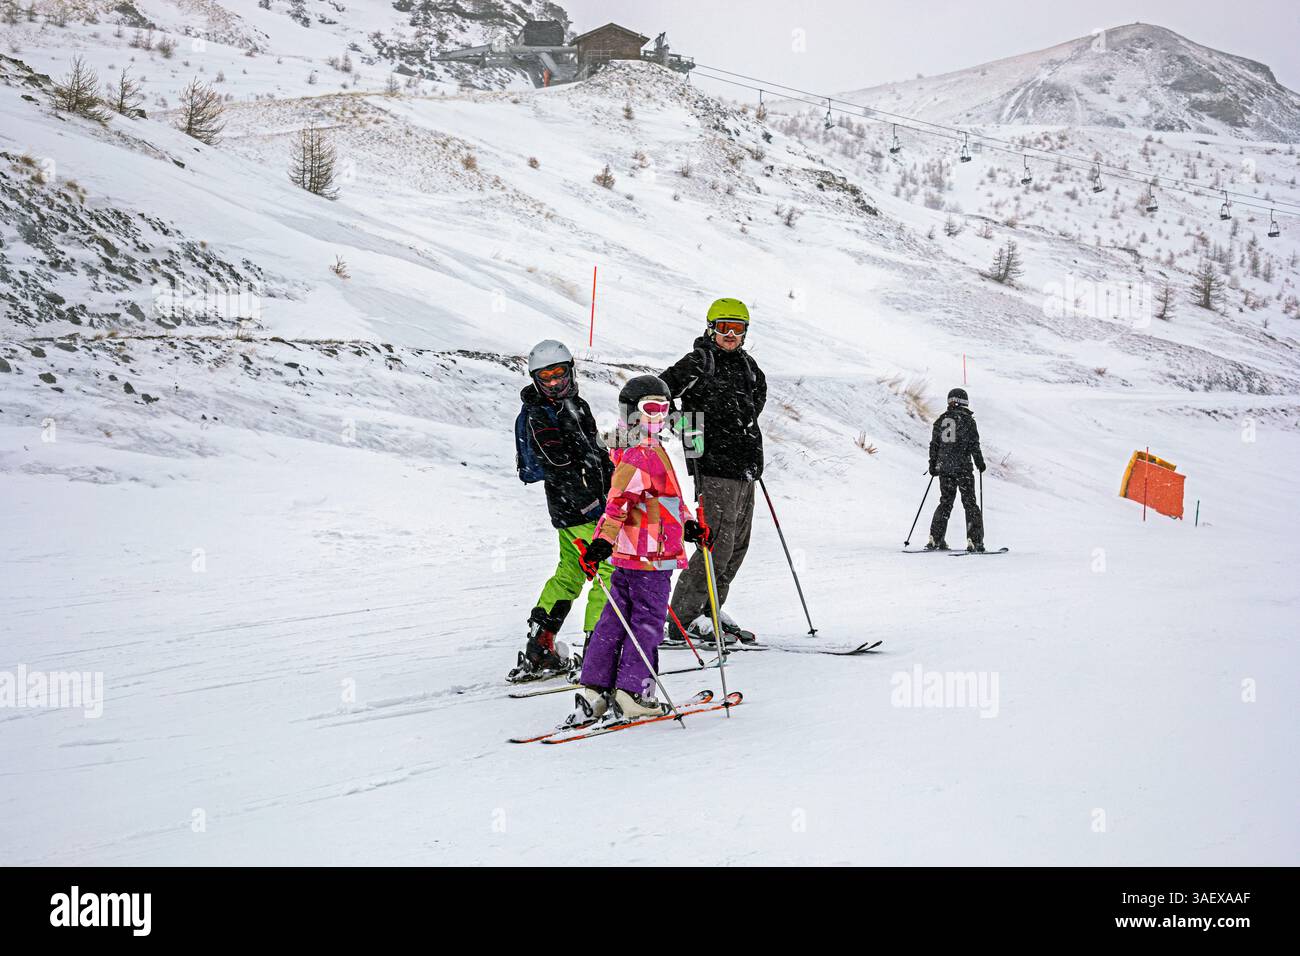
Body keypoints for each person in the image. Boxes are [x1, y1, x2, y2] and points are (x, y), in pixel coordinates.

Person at [563, 375, 710, 726]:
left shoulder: (640, 446)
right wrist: (601, 541)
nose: (659, 418)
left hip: (634, 554)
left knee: (614, 620)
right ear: (631, 412)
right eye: (650, 409)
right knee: (646, 622)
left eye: (664, 409)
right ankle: (634, 693)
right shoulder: (641, 453)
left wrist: (688, 524)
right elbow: (617, 505)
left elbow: (665, 499)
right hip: (650, 555)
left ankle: (595, 690)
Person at [659, 298, 766, 646]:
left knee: (736, 547)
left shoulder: (750, 367)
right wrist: (685, 426)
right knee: (715, 546)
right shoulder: (698, 362)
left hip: (746, 469)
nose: (730, 335)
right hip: (713, 466)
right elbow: (658, 391)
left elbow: (757, 402)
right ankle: (682, 621)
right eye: (723, 328)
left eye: (737, 328)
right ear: (711, 328)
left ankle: (710, 612)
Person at [508, 340, 614, 683]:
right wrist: (593, 501)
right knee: (610, 570)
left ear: (570, 371)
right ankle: (598, 653)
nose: (554, 382)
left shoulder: (575, 404)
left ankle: (540, 648)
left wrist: (614, 482)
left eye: (559, 374)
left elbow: (595, 453)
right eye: (546, 377)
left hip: (574, 509)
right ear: (535, 380)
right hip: (581, 507)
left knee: (570, 571)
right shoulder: (540, 413)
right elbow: (558, 461)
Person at [926, 387, 986, 552]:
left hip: (944, 468)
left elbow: (934, 446)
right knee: (969, 503)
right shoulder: (967, 420)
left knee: (945, 502)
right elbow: (974, 445)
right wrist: (980, 463)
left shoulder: (940, 421)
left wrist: (933, 465)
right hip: (962, 468)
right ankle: (974, 540)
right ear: (965, 402)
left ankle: (935, 538)